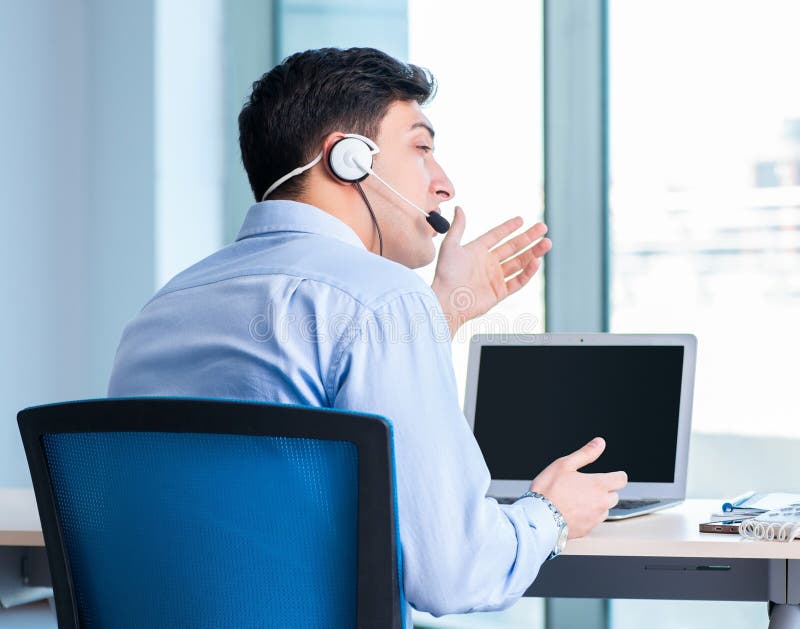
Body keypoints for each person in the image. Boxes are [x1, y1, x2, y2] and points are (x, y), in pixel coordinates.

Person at [108, 47, 627, 619]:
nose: (444, 184)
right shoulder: (380, 299)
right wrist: (550, 513)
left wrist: (438, 314)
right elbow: (454, 575)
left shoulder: (163, 308)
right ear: (349, 158)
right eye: (423, 148)